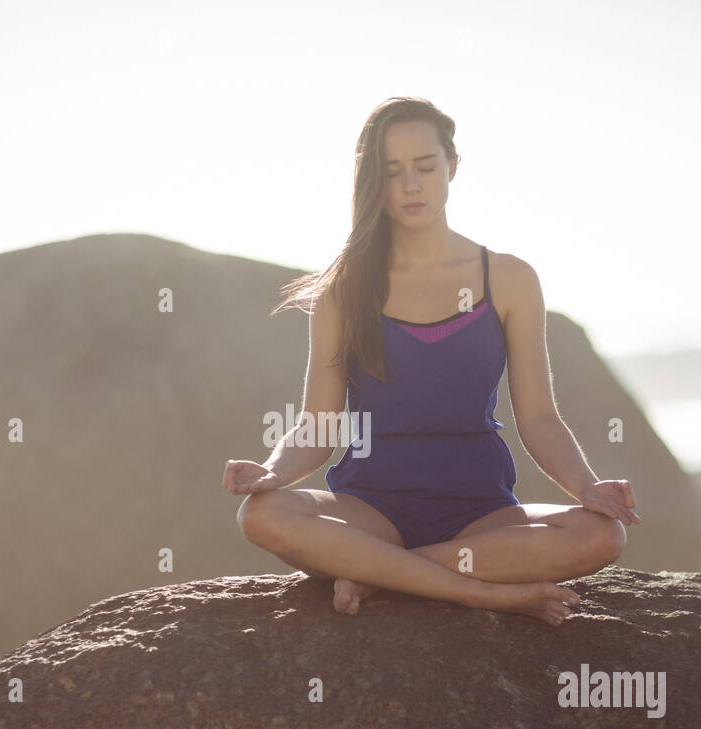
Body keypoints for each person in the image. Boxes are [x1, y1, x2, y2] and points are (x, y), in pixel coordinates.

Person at [223, 97, 639, 625]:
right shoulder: (343, 292)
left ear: (452, 167)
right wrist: (272, 469)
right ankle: (478, 592)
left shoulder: (508, 278)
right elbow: (318, 424)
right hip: (372, 512)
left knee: (603, 533)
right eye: (393, 171)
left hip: (481, 516)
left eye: (425, 166)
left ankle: (385, 576)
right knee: (262, 515)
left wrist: (587, 487)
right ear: (374, 179)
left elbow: (538, 417)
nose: (411, 185)